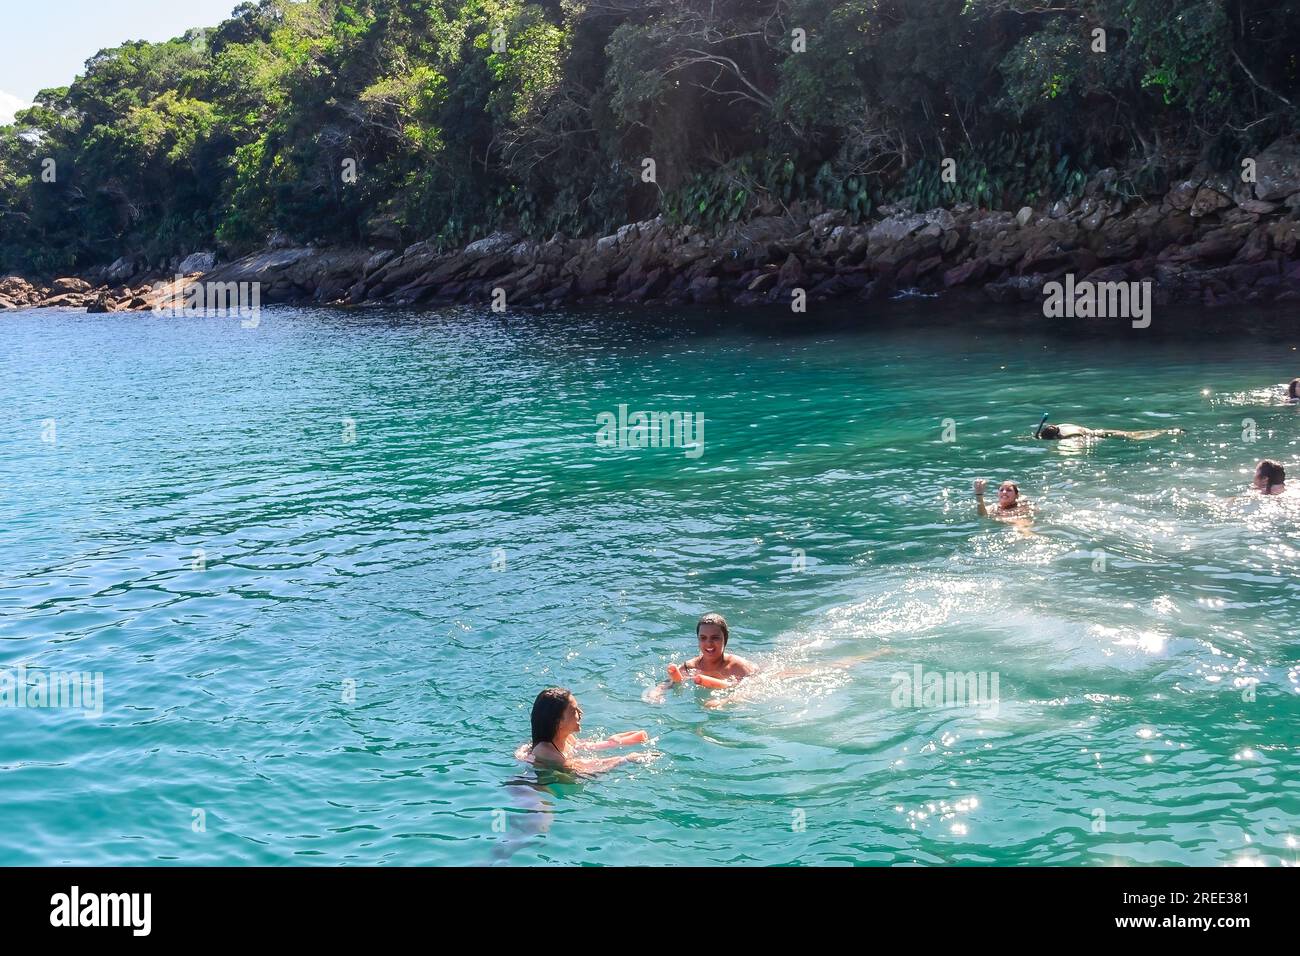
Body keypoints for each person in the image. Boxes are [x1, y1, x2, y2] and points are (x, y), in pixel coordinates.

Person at [517, 687, 655, 772]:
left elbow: (583, 747)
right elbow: (582, 769)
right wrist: (625, 759)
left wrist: (616, 742)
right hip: (536, 789)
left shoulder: (566, 737)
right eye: (574, 711)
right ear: (559, 723)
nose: (581, 712)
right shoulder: (545, 752)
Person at [645, 613, 757, 703]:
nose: (709, 643)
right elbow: (668, 683)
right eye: (703, 638)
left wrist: (725, 701)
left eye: (715, 638)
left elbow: (753, 689)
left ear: (725, 638)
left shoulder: (738, 666)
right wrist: (656, 692)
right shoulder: (689, 667)